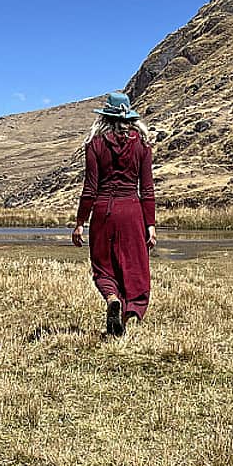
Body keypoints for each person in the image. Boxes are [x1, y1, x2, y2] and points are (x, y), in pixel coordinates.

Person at [71, 92, 156, 338]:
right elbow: (147, 189)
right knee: (134, 267)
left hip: (103, 211)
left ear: (105, 116)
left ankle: (111, 299)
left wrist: (79, 223)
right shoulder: (142, 144)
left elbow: (90, 188)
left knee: (103, 266)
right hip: (132, 212)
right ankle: (126, 318)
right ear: (129, 116)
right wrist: (150, 224)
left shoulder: (94, 144)